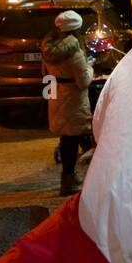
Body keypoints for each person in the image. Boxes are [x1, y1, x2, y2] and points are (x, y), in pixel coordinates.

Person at [41, 10, 93, 197]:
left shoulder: (49, 49)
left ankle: (70, 178)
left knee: (67, 138)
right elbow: (83, 81)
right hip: (73, 100)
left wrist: (50, 97)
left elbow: (46, 76)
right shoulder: (74, 52)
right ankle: (72, 180)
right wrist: (90, 68)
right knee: (75, 138)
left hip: (57, 97)